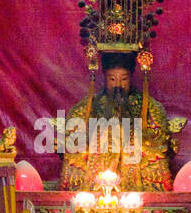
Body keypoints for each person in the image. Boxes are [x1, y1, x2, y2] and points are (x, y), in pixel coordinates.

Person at [61, 50, 172, 192]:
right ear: (105, 79)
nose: (118, 84)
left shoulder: (149, 106)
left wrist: (132, 137)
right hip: (97, 160)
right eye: (112, 79)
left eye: (123, 79)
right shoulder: (87, 106)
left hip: (136, 163)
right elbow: (74, 138)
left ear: (131, 78)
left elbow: (159, 138)